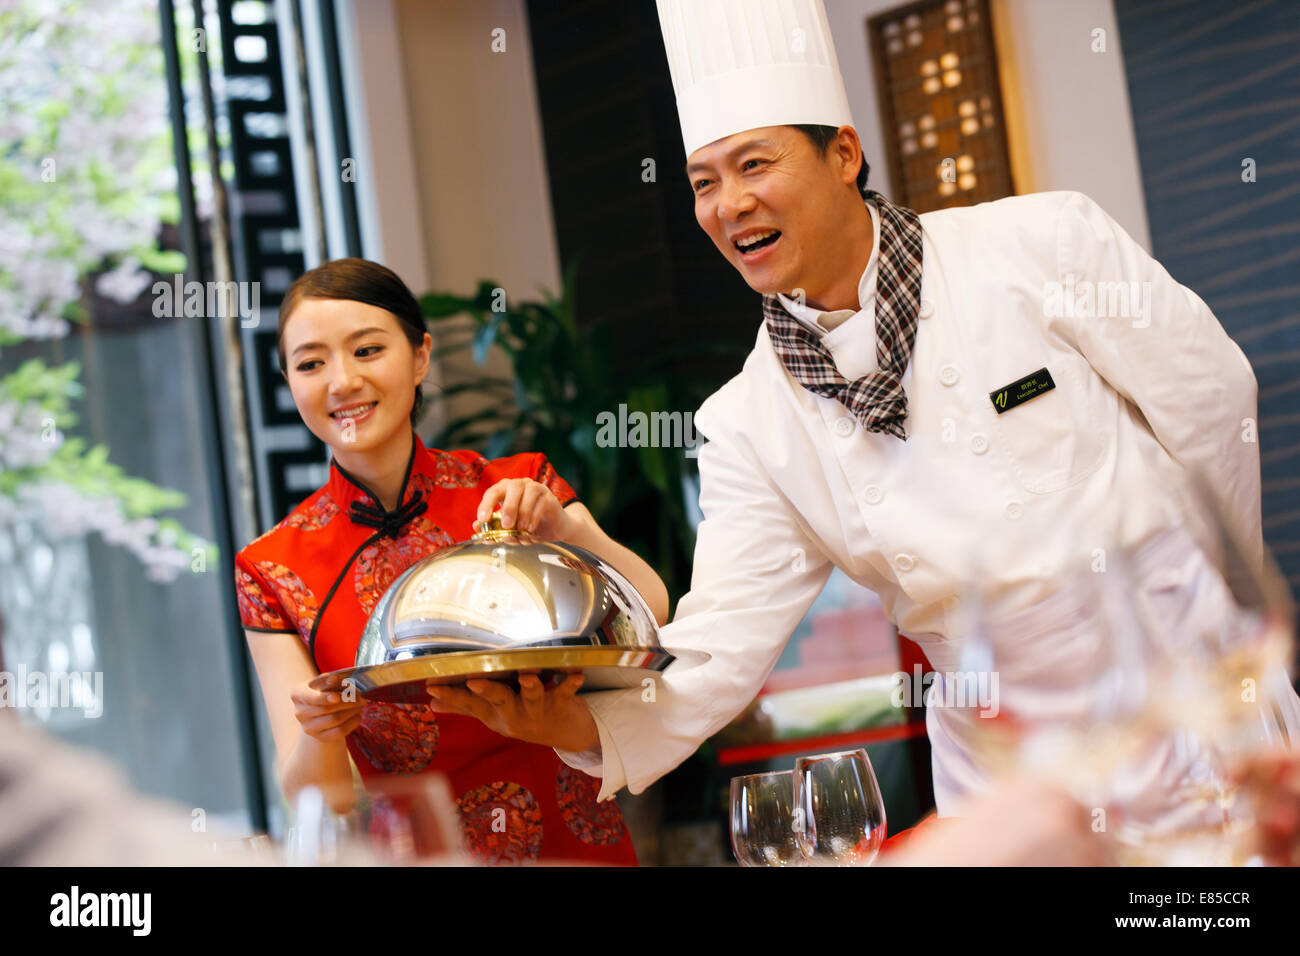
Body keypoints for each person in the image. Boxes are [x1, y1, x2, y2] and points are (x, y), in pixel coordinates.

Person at [423, 0, 1300, 841]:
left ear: (842, 153)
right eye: (703, 182)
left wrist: (1220, 626)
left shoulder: (1041, 245)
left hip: (1186, 714)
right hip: (1007, 771)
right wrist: (572, 722)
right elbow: (720, 643)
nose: (728, 205)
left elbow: (1215, 402)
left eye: (755, 165)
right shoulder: (748, 422)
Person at [235, 258, 668, 866]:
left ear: (420, 357)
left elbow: (649, 605)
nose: (342, 382)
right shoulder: (269, 566)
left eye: (367, 350)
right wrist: (319, 729)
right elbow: (321, 798)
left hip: (576, 845)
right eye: (311, 363)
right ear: (290, 383)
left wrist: (564, 526)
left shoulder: (518, 486)